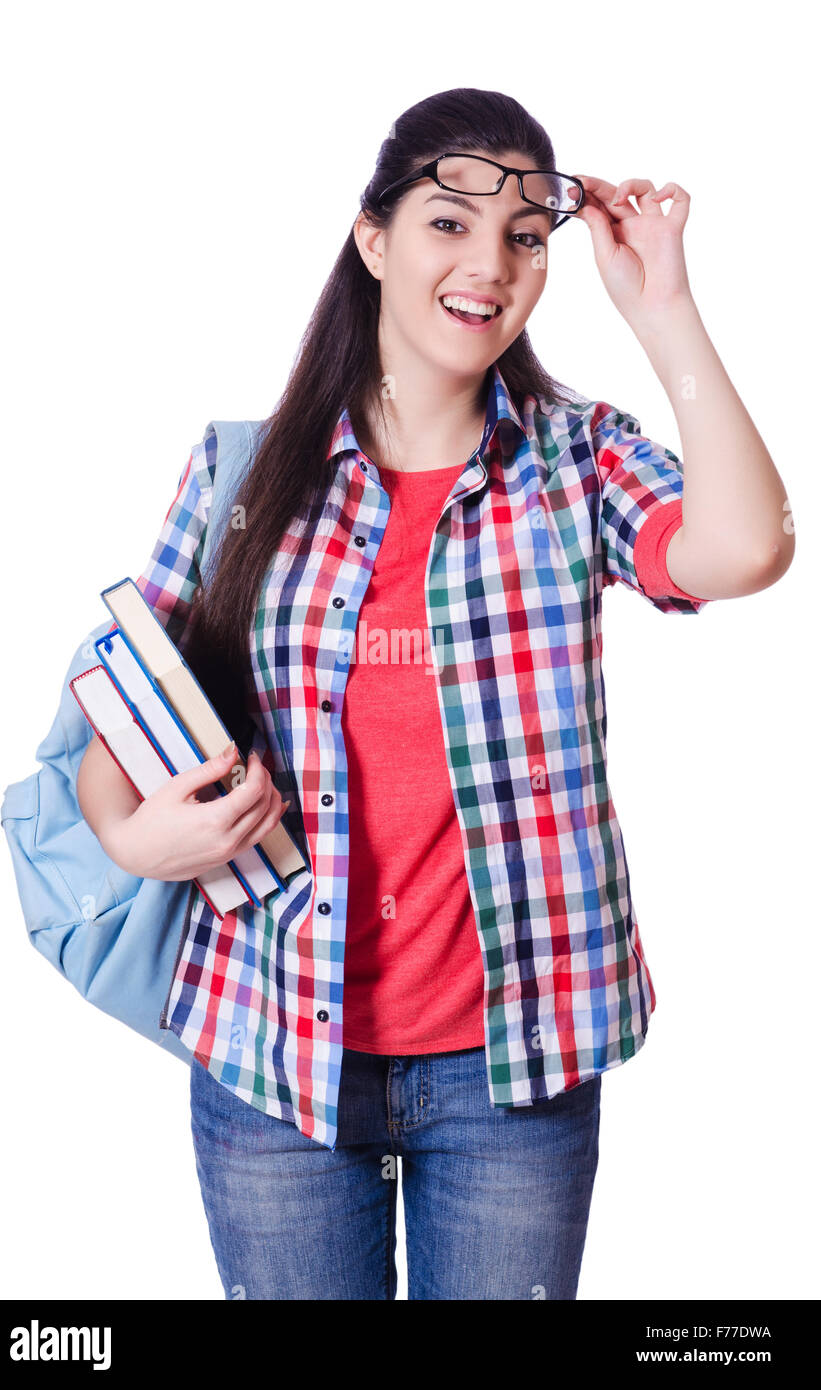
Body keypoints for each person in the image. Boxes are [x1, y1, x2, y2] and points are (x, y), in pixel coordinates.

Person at [75, 87, 793, 1300]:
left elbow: (746, 547)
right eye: (449, 223)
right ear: (375, 239)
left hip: (514, 1069)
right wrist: (142, 834)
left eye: (524, 237)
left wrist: (663, 308)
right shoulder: (242, 475)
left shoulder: (578, 458)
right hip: (276, 1055)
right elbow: (121, 724)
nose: (488, 264)